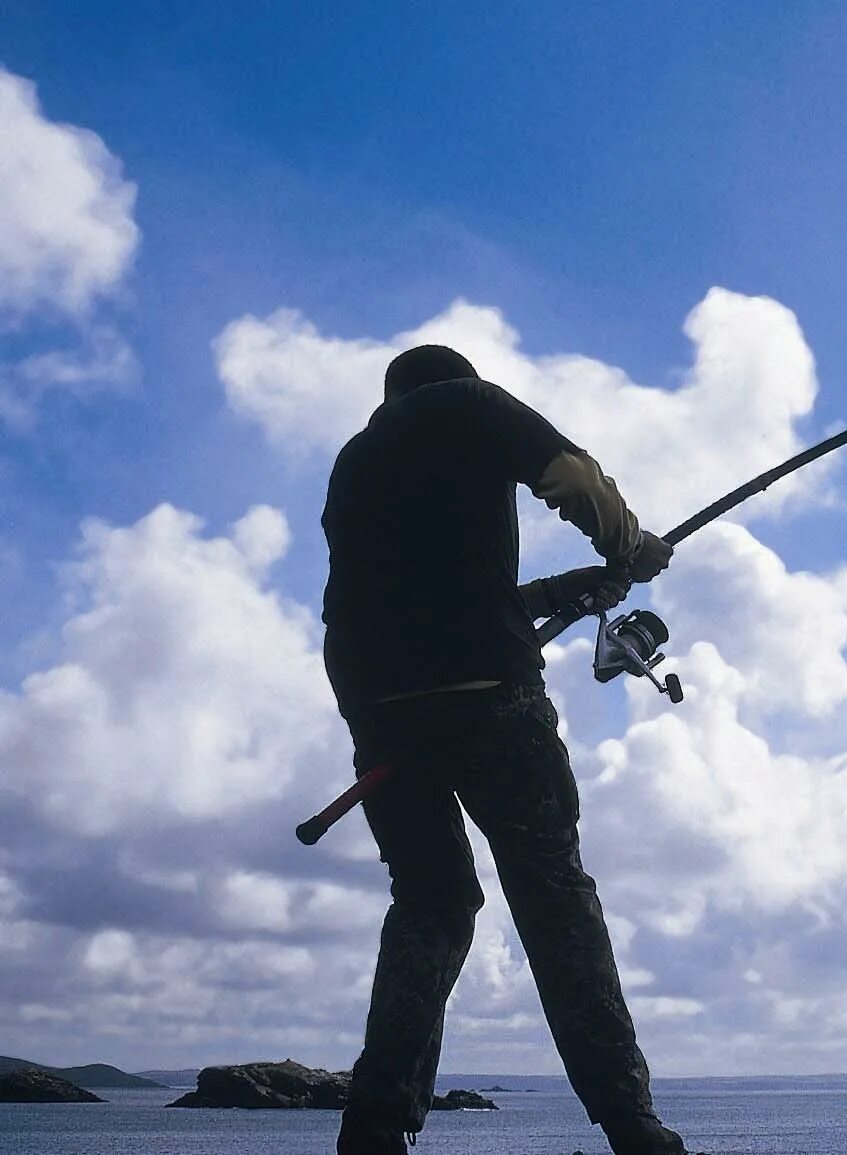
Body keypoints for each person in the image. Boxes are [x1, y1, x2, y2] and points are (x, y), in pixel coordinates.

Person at [320, 344, 690, 1155]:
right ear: (462, 380)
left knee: (434, 902)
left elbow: (440, 604)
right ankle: (632, 1124)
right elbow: (572, 477)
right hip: (494, 706)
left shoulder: (353, 465)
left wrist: (565, 592)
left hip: (383, 719)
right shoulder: (472, 406)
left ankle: (374, 1127)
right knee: (552, 891)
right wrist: (630, 548)